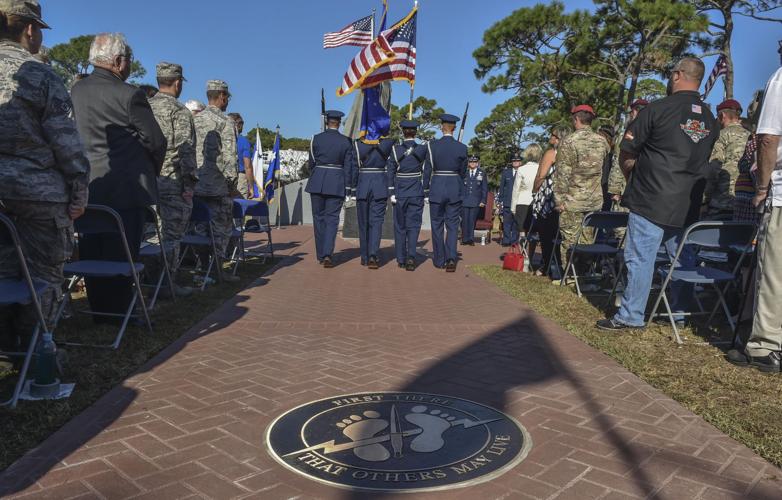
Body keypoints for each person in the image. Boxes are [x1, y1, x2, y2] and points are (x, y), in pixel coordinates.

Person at [597, 57, 717, 331]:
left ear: (677, 75)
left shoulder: (657, 109)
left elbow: (627, 152)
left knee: (641, 257)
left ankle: (631, 315)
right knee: (682, 259)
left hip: (651, 197)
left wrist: (633, 178)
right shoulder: (710, 118)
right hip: (687, 202)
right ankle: (680, 313)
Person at [0, 0, 89, 348]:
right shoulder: (39, 73)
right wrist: (79, 187)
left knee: (4, 274)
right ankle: (39, 355)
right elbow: (65, 141)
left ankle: (8, 348)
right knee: (44, 277)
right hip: (38, 194)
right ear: (30, 29)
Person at [71, 33, 166, 322]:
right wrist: (151, 170)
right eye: (129, 59)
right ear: (118, 61)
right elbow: (156, 141)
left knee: (92, 251)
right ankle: (120, 313)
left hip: (88, 186)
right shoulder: (130, 95)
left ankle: (99, 309)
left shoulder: (76, 91)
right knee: (123, 254)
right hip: (126, 188)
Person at [727, 42, 782, 374]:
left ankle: (766, 346)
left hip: (780, 193)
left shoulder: (779, 79)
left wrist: (762, 187)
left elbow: (768, 138)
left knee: (773, 273)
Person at [148, 62, 198, 297]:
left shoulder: (144, 106)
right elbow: (186, 151)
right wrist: (189, 184)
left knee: (150, 234)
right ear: (177, 83)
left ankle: (149, 280)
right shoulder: (179, 111)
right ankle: (167, 284)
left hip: (147, 182)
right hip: (172, 182)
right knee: (171, 237)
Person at [193, 80, 239, 282]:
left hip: (197, 182)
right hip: (218, 185)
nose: (228, 100)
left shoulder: (195, 119)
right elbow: (230, 156)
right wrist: (231, 184)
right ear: (222, 96)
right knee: (221, 228)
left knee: (200, 227)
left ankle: (202, 266)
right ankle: (218, 269)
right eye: (227, 96)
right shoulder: (225, 122)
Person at [553, 105, 610, 252]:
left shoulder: (569, 141)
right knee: (587, 245)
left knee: (569, 245)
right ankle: (584, 267)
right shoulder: (602, 141)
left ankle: (570, 268)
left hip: (572, 202)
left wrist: (559, 201)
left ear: (576, 119)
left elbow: (562, 174)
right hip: (594, 202)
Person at [305, 110, 353, 268]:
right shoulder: (346, 141)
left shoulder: (315, 139)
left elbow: (311, 163)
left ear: (327, 122)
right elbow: (348, 167)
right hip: (337, 183)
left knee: (318, 219)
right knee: (332, 220)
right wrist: (348, 189)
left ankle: (321, 254)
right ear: (339, 123)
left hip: (317, 181)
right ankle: (327, 254)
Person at [423, 113, 468, 272]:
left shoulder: (432, 146)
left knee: (437, 225)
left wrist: (426, 191)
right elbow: (463, 172)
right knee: (452, 226)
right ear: (454, 128)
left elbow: (427, 170)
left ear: (442, 127)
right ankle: (451, 258)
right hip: (454, 189)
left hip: (436, 188)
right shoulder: (462, 148)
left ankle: (439, 259)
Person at [388, 120, 428, 270]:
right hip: (416, 191)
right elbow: (427, 171)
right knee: (414, 226)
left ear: (403, 132)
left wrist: (391, 192)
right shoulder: (422, 149)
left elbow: (390, 171)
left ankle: (401, 258)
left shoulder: (395, 150)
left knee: (400, 226)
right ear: (415, 132)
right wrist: (426, 191)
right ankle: (411, 256)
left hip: (400, 192)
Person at [531, 126, 570, 278]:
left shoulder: (551, 153)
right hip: (565, 197)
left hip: (549, 197)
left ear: (559, 138)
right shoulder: (571, 153)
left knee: (546, 233)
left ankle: (547, 265)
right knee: (559, 234)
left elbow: (541, 175)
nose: (550, 137)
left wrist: (535, 190)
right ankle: (559, 264)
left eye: (553, 135)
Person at [704, 99, 751, 219]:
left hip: (721, 202)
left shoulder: (721, 135)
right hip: (744, 201)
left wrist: (704, 199)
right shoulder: (750, 136)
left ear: (722, 115)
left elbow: (714, 168)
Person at [352, 135, 394, 269]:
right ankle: (373, 255)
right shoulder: (388, 143)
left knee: (363, 224)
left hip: (363, 185)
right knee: (376, 223)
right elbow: (391, 167)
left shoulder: (358, 145)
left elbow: (354, 168)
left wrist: (352, 190)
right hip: (380, 185)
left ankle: (364, 256)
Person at [512, 145, 542, 239]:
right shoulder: (542, 169)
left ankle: (522, 247)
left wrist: (513, 207)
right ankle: (531, 248)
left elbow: (516, 189)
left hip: (522, 202)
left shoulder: (521, 169)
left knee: (522, 231)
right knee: (534, 232)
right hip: (537, 203)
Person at [460, 155, 488, 246]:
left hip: (476, 201)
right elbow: (460, 186)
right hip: (464, 200)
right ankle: (464, 239)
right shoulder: (464, 172)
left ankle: (471, 239)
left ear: (477, 163)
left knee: (472, 220)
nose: (472, 163)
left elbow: (484, 188)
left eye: (474, 162)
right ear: (468, 163)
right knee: (464, 220)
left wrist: (483, 201)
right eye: (471, 162)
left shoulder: (482, 173)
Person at [227, 113, 255, 199]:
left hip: (223, 178)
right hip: (240, 178)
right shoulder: (243, 141)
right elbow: (247, 166)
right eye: (241, 123)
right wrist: (251, 186)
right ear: (238, 125)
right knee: (239, 204)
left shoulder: (220, 139)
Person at [498, 154, 521, 246]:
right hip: (507, 201)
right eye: (514, 161)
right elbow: (502, 187)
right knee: (506, 222)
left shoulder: (522, 172)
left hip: (518, 202)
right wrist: (500, 200)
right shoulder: (506, 172)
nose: (515, 162)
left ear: (520, 162)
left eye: (517, 161)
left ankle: (514, 241)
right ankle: (506, 240)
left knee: (516, 223)